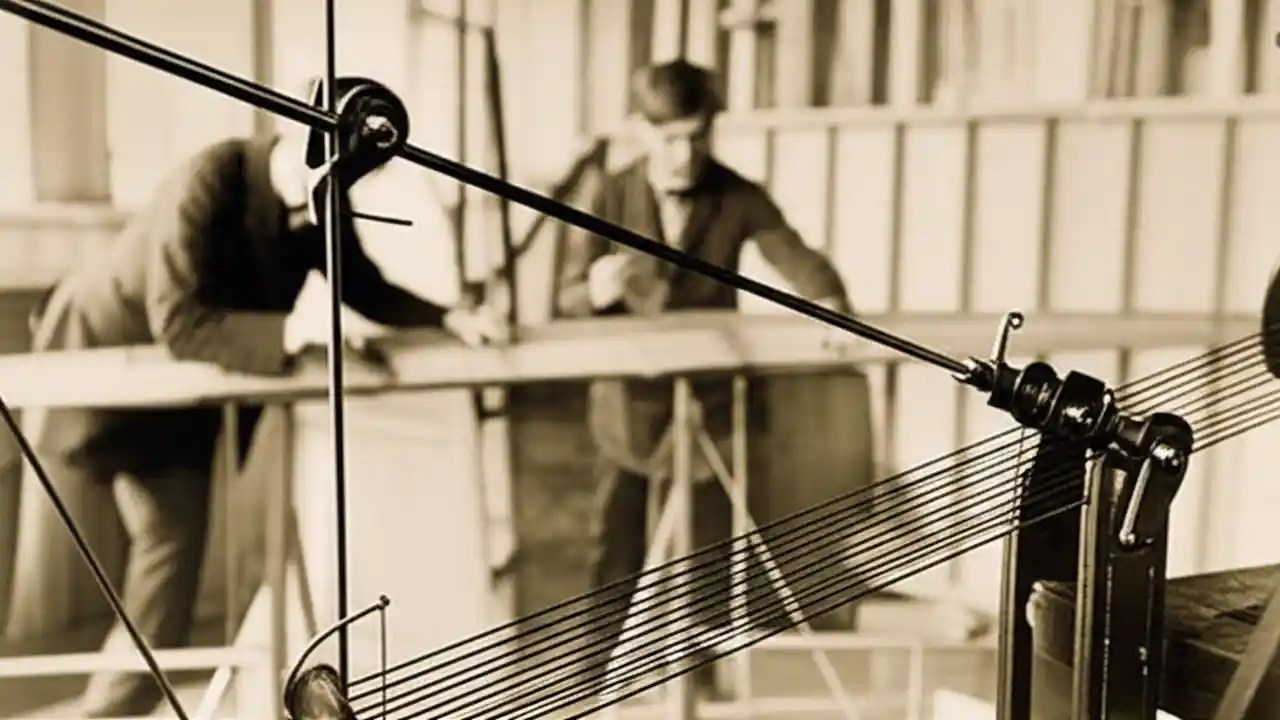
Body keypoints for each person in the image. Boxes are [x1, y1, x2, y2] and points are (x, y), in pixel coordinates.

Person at [21, 76, 506, 717]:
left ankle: (121, 700)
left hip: (191, 394)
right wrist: (298, 329)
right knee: (144, 546)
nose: (333, 200)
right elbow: (180, 322)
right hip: (108, 371)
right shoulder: (208, 181)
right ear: (300, 142)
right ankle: (111, 709)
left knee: (171, 548)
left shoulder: (316, 200)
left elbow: (359, 282)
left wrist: (449, 316)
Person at [555, 59, 854, 699]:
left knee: (705, 568)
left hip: (710, 417)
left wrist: (831, 304)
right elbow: (566, 298)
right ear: (641, 131)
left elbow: (796, 257)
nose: (685, 154)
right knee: (612, 560)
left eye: (697, 136)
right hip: (627, 415)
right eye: (670, 139)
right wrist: (597, 290)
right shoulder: (608, 192)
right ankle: (581, 693)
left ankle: (697, 698)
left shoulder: (736, 194)